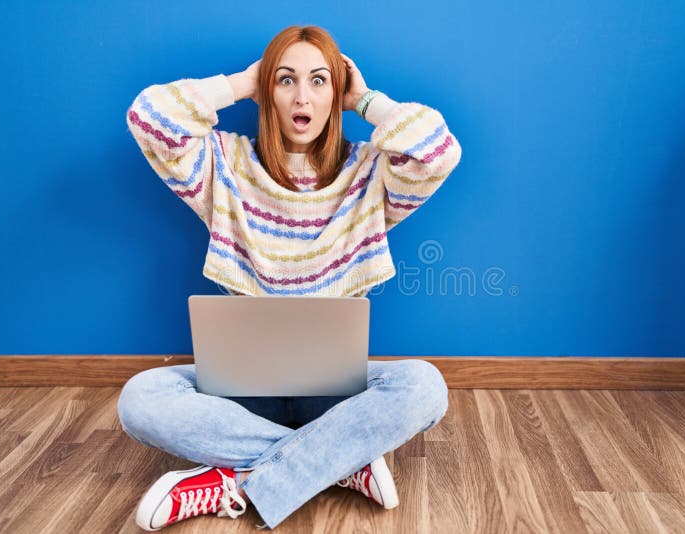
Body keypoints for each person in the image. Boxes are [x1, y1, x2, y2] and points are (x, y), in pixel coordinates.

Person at [119, 24, 462, 531]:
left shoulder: (372, 173)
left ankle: (233, 481)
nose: (303, 95)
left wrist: (365, 100)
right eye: (285, 80)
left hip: (337, 393)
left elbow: (438, 151)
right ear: (268, 93)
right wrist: (241, 83)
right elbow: (148, 119)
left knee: (425, 387)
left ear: (336, 94)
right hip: (240, 393)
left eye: (319, 81)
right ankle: (340, 461)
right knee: (139, 399)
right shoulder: (223, 163)